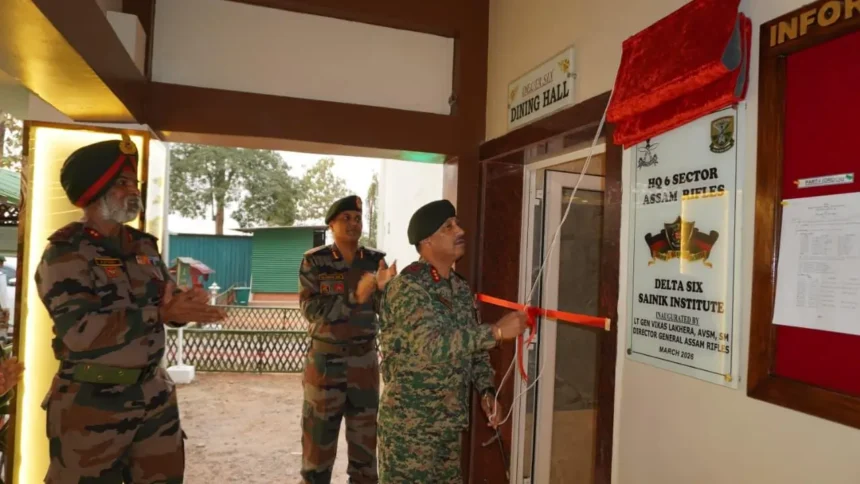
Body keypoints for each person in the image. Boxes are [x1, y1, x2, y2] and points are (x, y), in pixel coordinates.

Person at [34, 135, 226, 483]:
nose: (133, 189)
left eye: (133, 181)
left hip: (154, 398)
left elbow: (166, 299)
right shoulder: (65, 252)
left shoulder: (143, 246)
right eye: (122, 182)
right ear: (95, 189)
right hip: (92, 404)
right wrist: (161, 315)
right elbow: (80, 332)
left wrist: (185, 307)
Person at [377, 199, 527, 484]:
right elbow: (431, 346)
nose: (460, 230)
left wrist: (486, 390)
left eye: (457, 223)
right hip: (410, 431)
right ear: (427, 241)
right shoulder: (407, 287)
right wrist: (495, 332)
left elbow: (473, 349)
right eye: (449, 226)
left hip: (448, 426)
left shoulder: (459, 287)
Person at [299, 195, 397, 484]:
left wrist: (389, 291)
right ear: (332, 224)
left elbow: (386, 311)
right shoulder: (315, 261)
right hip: (325, 365)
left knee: (365, 457)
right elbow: (312, 309)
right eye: (346, 218)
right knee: (317, 454)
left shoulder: (374, 260)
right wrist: (355, 297)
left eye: (357, 218)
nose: (353, 224)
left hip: (364, 364)